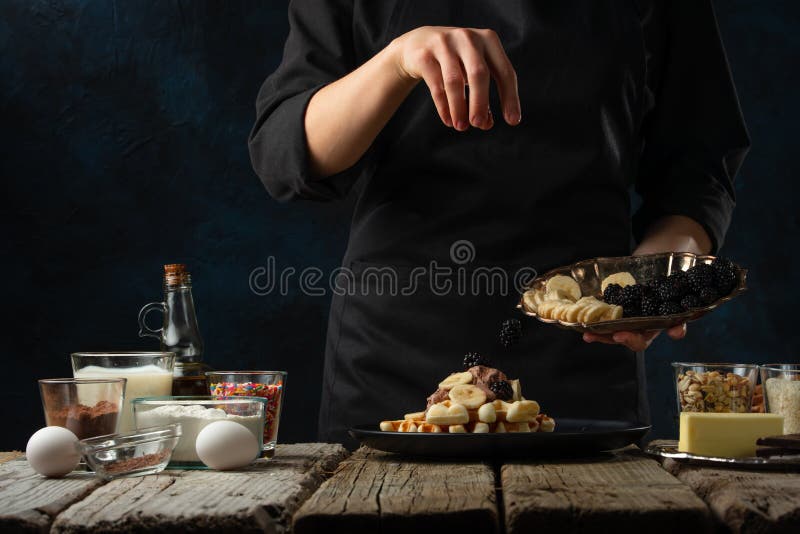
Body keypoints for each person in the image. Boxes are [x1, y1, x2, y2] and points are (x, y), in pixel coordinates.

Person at [249, 0, 749, 446]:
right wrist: (396, 61)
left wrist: (655, 281)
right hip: (395, 353)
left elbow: (698, 170)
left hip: (581, 357)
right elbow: (284, 155)